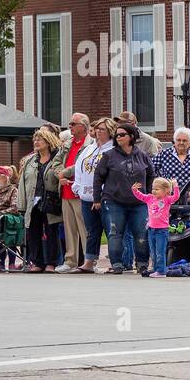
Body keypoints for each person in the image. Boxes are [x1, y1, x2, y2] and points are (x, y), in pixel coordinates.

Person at [93, 123, 153, 275]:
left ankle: (142, 263)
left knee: (141, 233)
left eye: (122, 135)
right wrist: (97, 199)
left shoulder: (142, 156)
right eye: (116, 135)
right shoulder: (109, 155)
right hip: (114, 201)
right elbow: (98, 177)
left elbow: (151, 176)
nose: (118, 137)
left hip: (139, 202)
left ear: (131, 137)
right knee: (115, 233)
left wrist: (150, 196)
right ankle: (117, 264)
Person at [16, 127, 63, 274]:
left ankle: (51, 263)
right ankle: (37, 262)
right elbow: (22, 183)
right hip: (33, 201)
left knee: (51, 232)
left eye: (39, 139)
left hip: (51, 200)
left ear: (48, 142)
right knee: (33, 231)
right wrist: (21, 205)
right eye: (34, 139)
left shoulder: (57, 157)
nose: (36, 142)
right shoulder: (30, 160)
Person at [72, 117, 115, 273]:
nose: (97, 131)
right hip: (86, 196)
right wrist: (77, 187)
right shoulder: (89, 148)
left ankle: (116, 262)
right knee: (91, 231)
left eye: (102, 129)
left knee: (111, 230)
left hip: (105, 197)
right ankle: (89, 261)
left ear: (110, 132)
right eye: (96, 128)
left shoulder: (113, 150)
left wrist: (102, 193)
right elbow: (79, 166)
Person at [51, 113, 91, 273]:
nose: (70, 127)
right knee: (69, 229)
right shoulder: (67, 144)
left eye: (73, 123)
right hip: (65, 191)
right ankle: (70, 260)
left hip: (81, 192)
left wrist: (65, 172)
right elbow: (56, 162)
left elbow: (84, 164)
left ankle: (89, 260)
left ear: (83, 126)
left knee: (84, 229)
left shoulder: (91, 144)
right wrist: (59, 174)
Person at [132, 177, 179, 276]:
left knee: (160, 251)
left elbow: (176, 197)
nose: (154, 191)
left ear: (166, 191)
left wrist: (175, 186)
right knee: (153, 251)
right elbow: (141, 196)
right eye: (153, 188)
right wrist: (135, 190)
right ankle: (155, 268)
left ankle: (161, 271)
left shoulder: (167, 199)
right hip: (151, 229)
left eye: (157, 189)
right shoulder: (150, 198)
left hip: (162, 230)